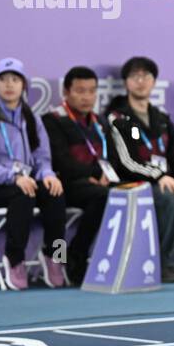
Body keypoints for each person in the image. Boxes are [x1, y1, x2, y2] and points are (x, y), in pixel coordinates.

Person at [106, 56, 174, 283]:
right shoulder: (119, 118)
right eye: (135, 76)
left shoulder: (162, 119)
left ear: (154, 82)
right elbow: (126, 161)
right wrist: (159, 176)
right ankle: (166, 264)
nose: (141, 81)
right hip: (135, 183)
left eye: (146, 76)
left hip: (167, 180)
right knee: (168, 195)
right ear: (126, 82)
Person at [0, 58, 67, 291]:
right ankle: (15, 259)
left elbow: (42, 157)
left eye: (15, 80)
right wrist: (13, 178)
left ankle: (55, 256)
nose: (9, 85)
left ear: (24, 85)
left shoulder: (32, 119)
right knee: (22, 195)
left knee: (55, 193)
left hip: (27, 181)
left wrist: (48, 174)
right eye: (3, 80)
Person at [41, 66, 118, 285]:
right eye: (80, 91)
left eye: (92, 91)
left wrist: (106, 175)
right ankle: (76, 254)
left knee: (129, 195)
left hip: (100, 183)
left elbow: (113, 155)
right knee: (102, 196)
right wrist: (94, 173)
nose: (87, 97)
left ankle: (120, 262)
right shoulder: (53, 120)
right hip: (67, 184)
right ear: (66, 92)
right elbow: (60, 161)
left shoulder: (101, 122)